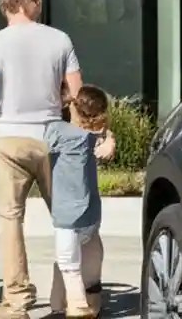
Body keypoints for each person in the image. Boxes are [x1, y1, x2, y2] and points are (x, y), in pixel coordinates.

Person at [0, 0, 83, 319]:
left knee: (10, 221)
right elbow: (77, 92)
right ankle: (74, 295)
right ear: (21, 0)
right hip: (52, 137)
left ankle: (17, 302)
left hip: (10, 139)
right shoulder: (60, 39)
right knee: (67, 218)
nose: (41, 4)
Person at [46, 85, 116, 318]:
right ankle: (85, 302)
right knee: (90, 261)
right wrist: (110, 138)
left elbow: (37, 135)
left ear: (75, 108)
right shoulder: (93, 137)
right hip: (91, 215)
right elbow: (103, 133)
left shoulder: (60, 132)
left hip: (68, 216)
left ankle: (76, 307)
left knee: (68, 264)